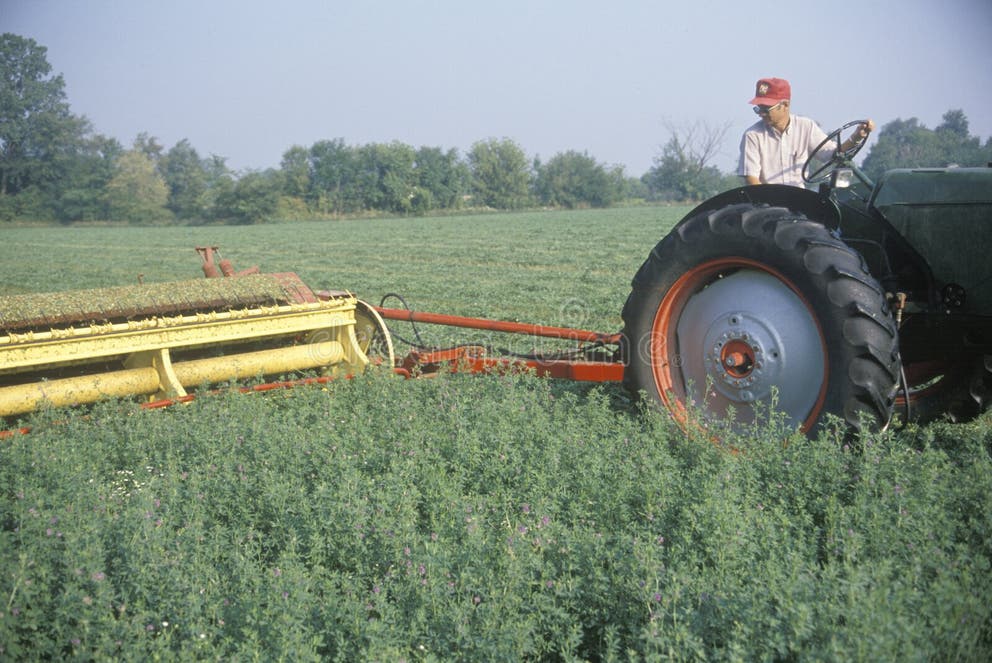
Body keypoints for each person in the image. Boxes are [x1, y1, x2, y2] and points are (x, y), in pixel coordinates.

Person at [738, 77, 874, 187]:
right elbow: (752, 179)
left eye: (766, 109)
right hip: (768, 203)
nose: (761, 114)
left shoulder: (806, 126)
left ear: (785, 105)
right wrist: (767, 205)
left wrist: (856, 137)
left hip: (800, 201)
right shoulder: (752, 136)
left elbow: (832, 154)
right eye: (758, 108)